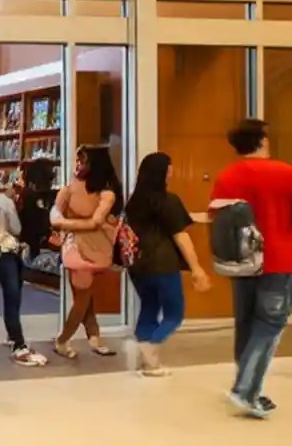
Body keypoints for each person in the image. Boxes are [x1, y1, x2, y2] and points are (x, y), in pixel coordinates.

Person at [210, 119, 292, 419]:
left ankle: (247, 385)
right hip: (279, 260)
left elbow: (219, 220)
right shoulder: (285, 173)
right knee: (269, 324)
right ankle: (245, 390)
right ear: (263, 141)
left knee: (246, 322)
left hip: (242, 264)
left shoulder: (227, 176)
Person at [125, 152, 210, 377]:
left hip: (137, 264)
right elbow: (180, 235)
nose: (172, 170)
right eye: (169, 166)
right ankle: (152, 347)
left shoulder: (134, 201)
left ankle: (148, 362)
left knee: (149, 306)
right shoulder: (168, 199)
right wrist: (197, 268)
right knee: (174, 314)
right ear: (164, 171)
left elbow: (160, 220)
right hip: (163, 264)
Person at [51, 145, 122, 360]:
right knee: (82, 296)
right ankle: (64, 339)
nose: (78, 165)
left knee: (86, 295)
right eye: (78, 161)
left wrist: (65, 223)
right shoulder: (70, 189)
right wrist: (65, 223)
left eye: (84, 162)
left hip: (98, 248)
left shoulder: (106, 192)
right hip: (77, 249)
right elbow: (55, 215)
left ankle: (93, 337)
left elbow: (95, 221)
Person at [0, 177, 47, 367]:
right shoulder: (7, 204)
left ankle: (12, 334)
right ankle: (17, 340)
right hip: (8, 251)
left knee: (9, 295)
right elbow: (16, 227)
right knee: (13, 296)